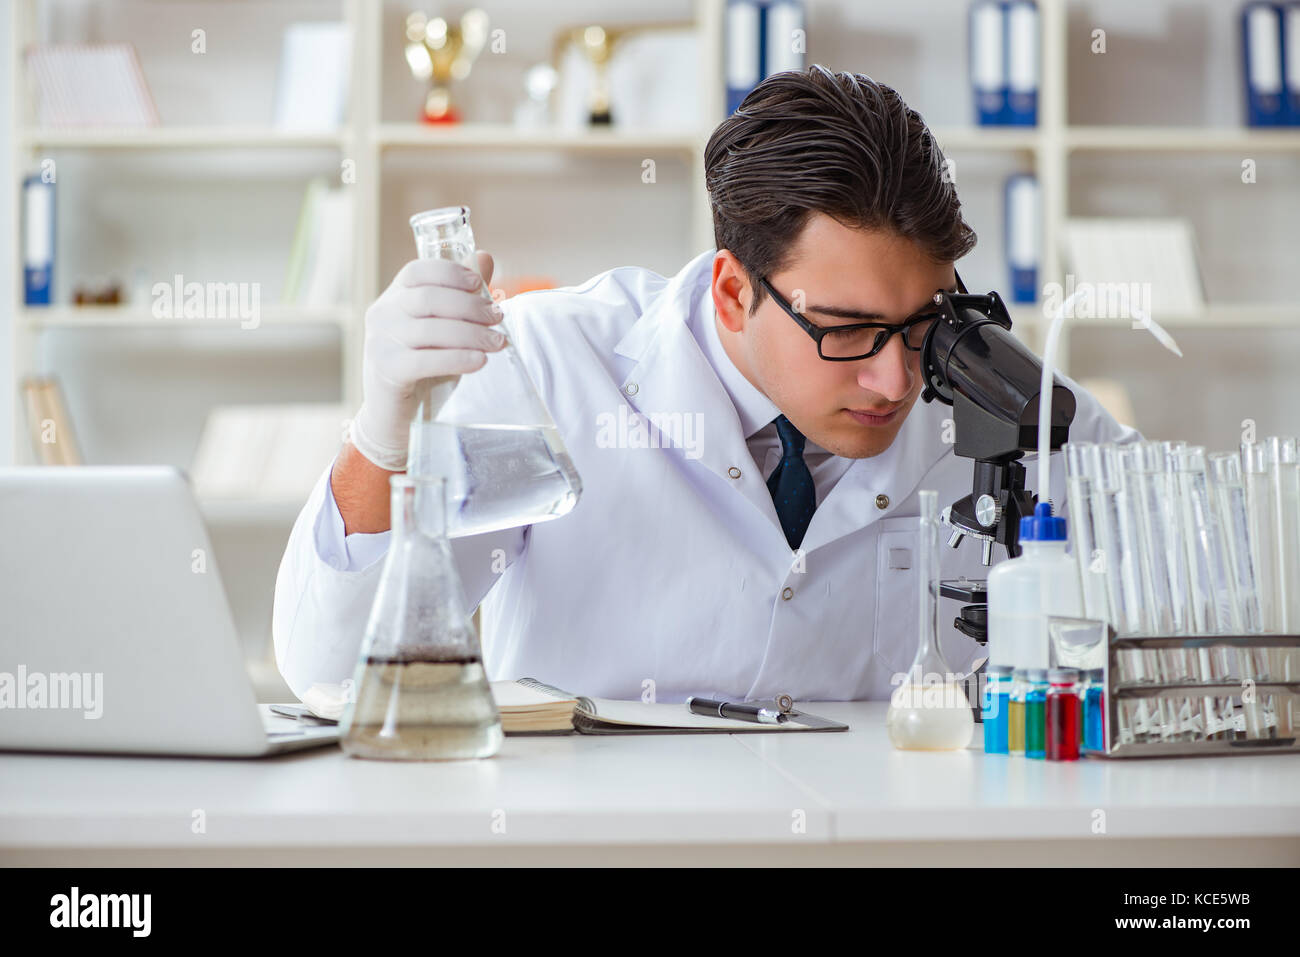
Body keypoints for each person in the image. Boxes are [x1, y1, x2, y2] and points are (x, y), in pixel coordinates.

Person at [273, 66, 1138, 703]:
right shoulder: (553, 365)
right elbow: (329, 666)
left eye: (924, 324)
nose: (896, 376)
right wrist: (383, 434)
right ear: (733, 291)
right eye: (845, 330)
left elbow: (1187, 571)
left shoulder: (993, 397)